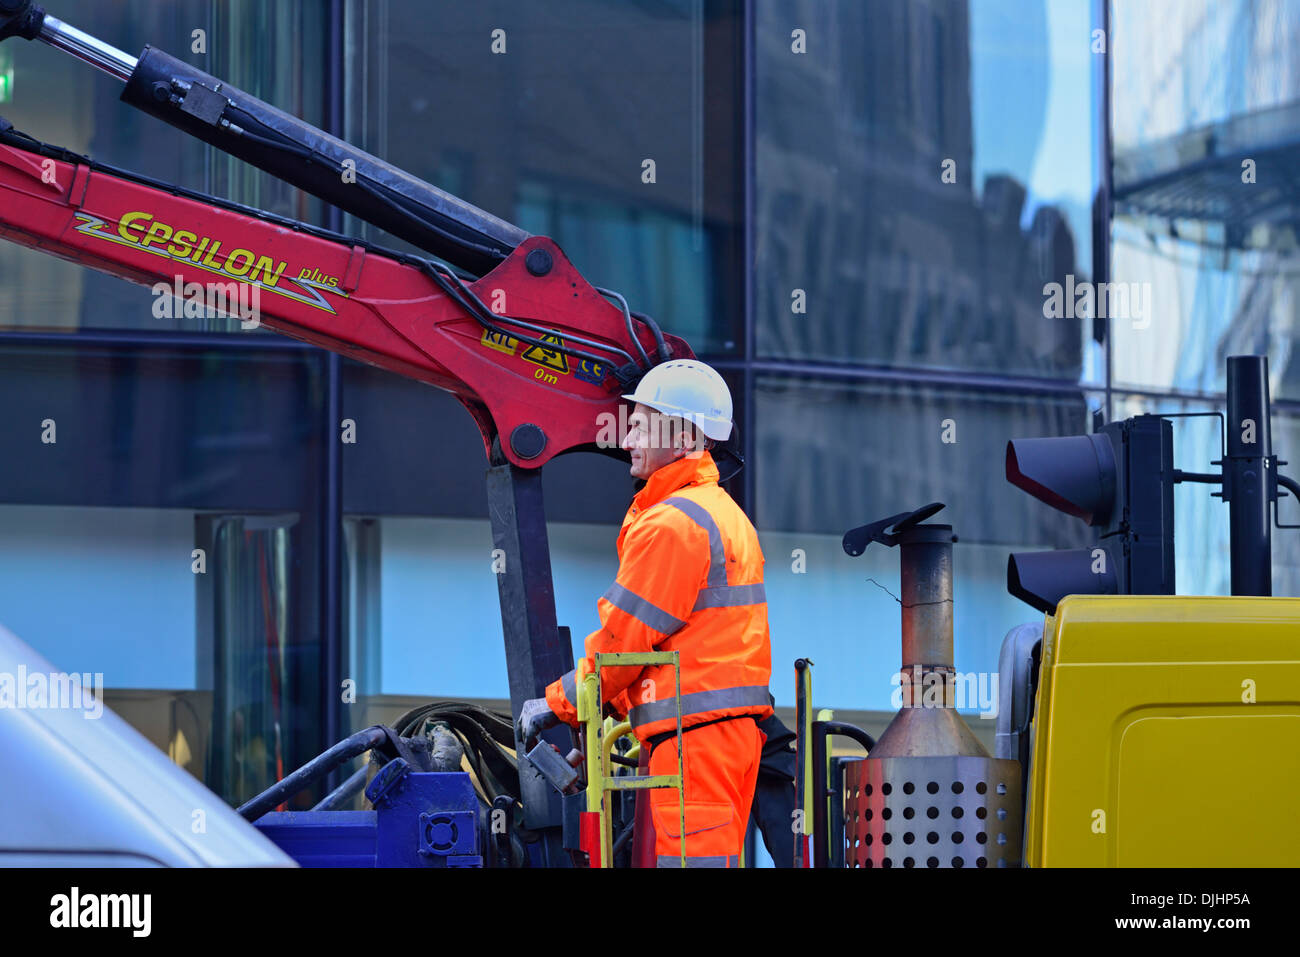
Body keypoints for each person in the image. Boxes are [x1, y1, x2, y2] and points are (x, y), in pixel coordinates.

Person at [518, 359, 773, 867]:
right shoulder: (722, 513)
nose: (626, 435)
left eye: (639, 424)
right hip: (720, 737)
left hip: (695, 742)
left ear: (681, 436)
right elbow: (680, 640)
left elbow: (622, 645)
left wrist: (555, 704)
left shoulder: (672, 524)